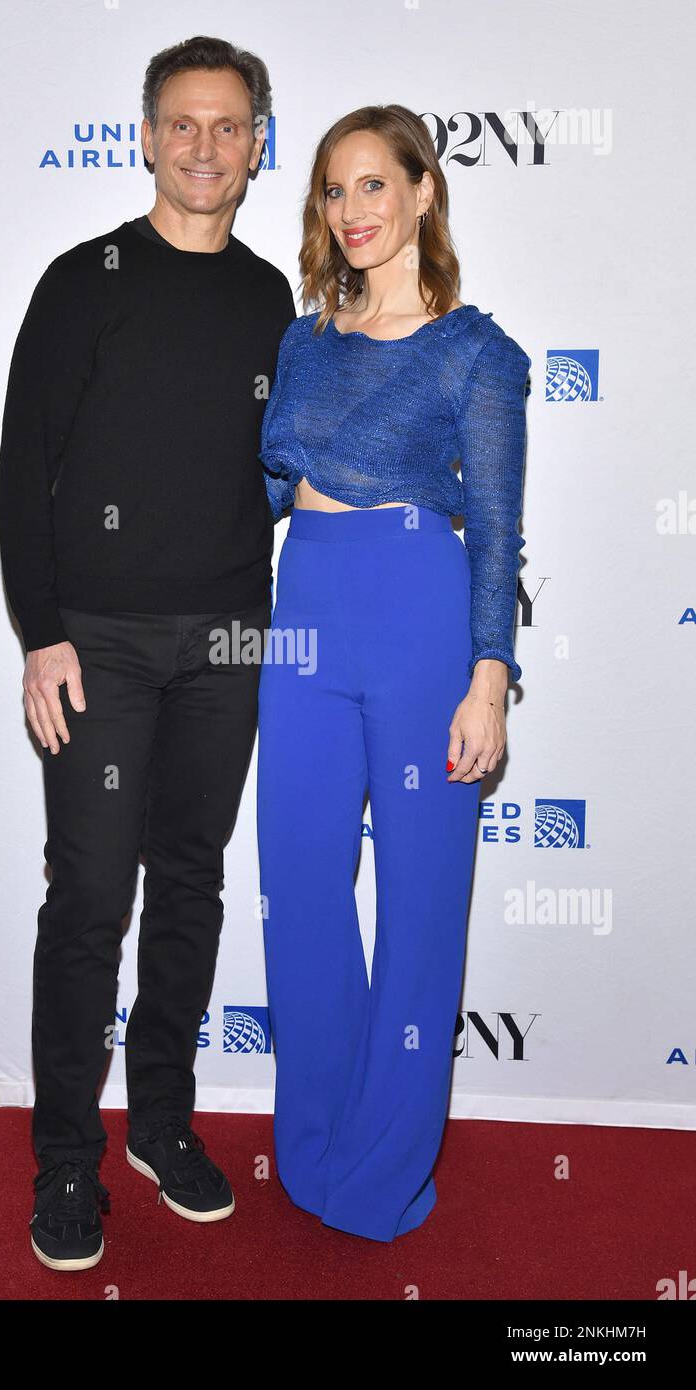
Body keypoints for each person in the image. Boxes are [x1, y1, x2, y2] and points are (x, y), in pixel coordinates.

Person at [0, 35, 295, 1271]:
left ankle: (160, 1122)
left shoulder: (273, 295)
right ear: (147, 136)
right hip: (101, 646)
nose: (206, 146)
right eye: (184, 123)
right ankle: (67, 1153)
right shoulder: (83, 279)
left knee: (192, 883)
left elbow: (276, 476)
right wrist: (41, 633)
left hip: (230, 635)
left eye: (230, 126)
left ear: (258, 144)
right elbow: (24, 467)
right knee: (88, 899)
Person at [256, 104, 531, 1242]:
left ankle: (382, 1169)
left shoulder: (477, 351)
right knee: (301, 886)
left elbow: (500, 528)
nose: (353, 210)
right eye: (333, 190)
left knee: (421, 901)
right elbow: (260, 497)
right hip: (303, 616)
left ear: (423, 191)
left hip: (419, 615)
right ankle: (315, 1141)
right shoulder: (302, 341)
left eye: (375, 184)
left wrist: (488, 678)